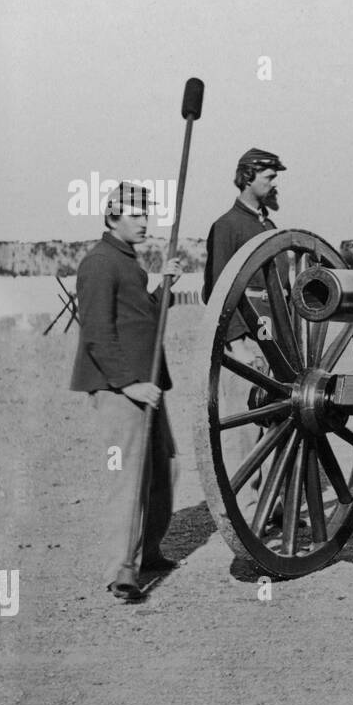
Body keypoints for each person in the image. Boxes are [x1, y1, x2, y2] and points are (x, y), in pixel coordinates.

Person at [70, 182, 183, 601]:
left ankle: (148, 552)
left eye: (146, 213)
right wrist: (129, 384)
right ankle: (122, 568)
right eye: (135, 214)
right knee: (128, 479)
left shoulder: (128, 262)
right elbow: (96, 335)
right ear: (111, 217)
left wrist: (163, 288)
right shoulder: (99, 264)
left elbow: (143, 317)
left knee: (163, 471)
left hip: (147, 384)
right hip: (123, 390)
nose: (144, 221)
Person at [202, 148, 286, 526]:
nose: (274, 184)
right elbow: (217, 290)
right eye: (268, 177)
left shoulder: (269, 227)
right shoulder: (227, 226)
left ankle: (277, 503)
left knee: (280, 422)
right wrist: (237, 341)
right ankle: (249, 512)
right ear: (247, 177)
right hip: (246, 342)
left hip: (277, 341)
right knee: (246, 429)